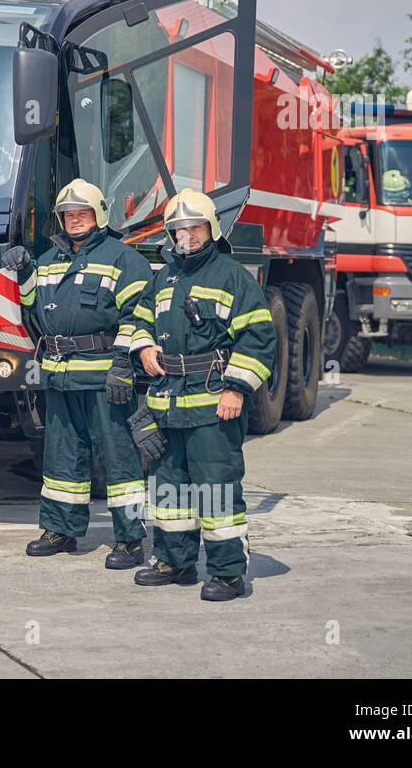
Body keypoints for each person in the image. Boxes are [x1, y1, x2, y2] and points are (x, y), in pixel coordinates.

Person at [128, 188, 277, 602]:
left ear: (211, 228)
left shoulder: (232, 276)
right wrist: (144, 347)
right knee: (170, 488)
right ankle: (174, 561)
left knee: (216, 488)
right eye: (179, 228)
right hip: (168, 404)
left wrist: (236, 388)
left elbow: (260, 337)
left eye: (195, 227)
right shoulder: (164, 277)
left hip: (214, 405)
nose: (187, 235)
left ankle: (228, 573)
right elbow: (139, 319)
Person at [6, 179, 152, 563]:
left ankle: (130, 539)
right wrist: (25, 272)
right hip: (59, 376)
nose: (74, 220)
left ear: (98, 214)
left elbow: (139, 316)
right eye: (67, 214)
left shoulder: (124, 259)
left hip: (105, 378)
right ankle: (60, 530)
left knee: (119, 456)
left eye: (81, 213)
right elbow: (32, 304)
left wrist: (123, 364)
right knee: (61, 456)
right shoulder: (49, 260)